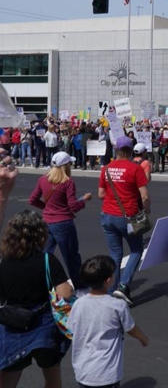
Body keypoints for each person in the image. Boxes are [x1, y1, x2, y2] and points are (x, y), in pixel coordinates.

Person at [0, 210, 73, 388]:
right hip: (43, 325)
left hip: (12, 324)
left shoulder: (4, 261)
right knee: (52, 376)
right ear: (41, 233)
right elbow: (65, 294)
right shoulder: (47, 260)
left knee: (8, 377)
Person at [68, 255, 149, 387]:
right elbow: (131, 328)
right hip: (107, 373)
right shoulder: (117, 305)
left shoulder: (78, 304)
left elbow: (71, 328)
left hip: (83, 371)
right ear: (109, 280)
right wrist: (143, 338)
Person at [98, 136, 150, 306]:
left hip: (107, 214)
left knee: (115, 254)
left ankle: (113, 289)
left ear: (116, 149)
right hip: (128, 215)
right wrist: (146, 209)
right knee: (136, 250)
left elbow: (100, 194)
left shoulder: (106, 168)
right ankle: (123, 285)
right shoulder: (135, 169)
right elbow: (144, 195)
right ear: (130, 150)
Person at [28, 151, 92, 290]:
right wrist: (84, 201)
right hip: (63, 223)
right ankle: (80, 288)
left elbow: (32, 199)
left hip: (47, 221)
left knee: (45, 256)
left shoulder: (43, 179)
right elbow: (73, 206)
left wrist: (46, 207)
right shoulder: (68, 183)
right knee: (71, 258)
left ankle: (43, 287)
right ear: (66, 166)